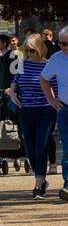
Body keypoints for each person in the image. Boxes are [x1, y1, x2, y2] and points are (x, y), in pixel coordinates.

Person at [7, 34, 54, 198]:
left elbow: (54, 88)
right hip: (26, 111)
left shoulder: (49, 65)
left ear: (40, 49)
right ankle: (41, 178)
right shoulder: (21, 64)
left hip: (45, 111)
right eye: (26, 50)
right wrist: (12, 93)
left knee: (40, 147)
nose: (28, 54)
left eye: (32, 51)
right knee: (29, 147)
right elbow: (15, 81)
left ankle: (38, 184)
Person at [39, 26, 68, 201]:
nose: (63, 47)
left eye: (66, 44)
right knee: (67, 148)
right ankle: (67, 185)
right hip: (64, 108)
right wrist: (51, 99)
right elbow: (44, 79)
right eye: (61, 43)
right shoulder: (56, 59)